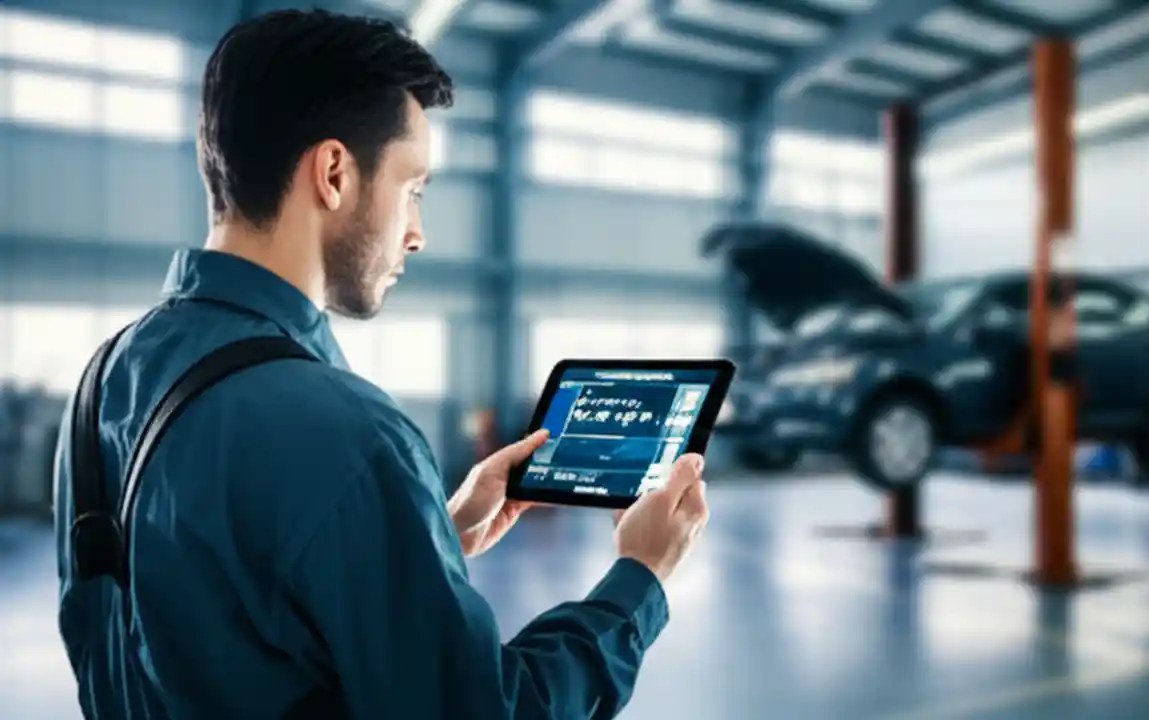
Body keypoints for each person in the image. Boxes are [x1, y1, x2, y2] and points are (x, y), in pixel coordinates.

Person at [53, 10, 709, 719]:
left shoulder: (101, 385)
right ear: (334, 172)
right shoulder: (352, 435)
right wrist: (640, 578)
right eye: (413, 188)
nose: (418, 234)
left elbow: (213, 618)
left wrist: (436, 533)